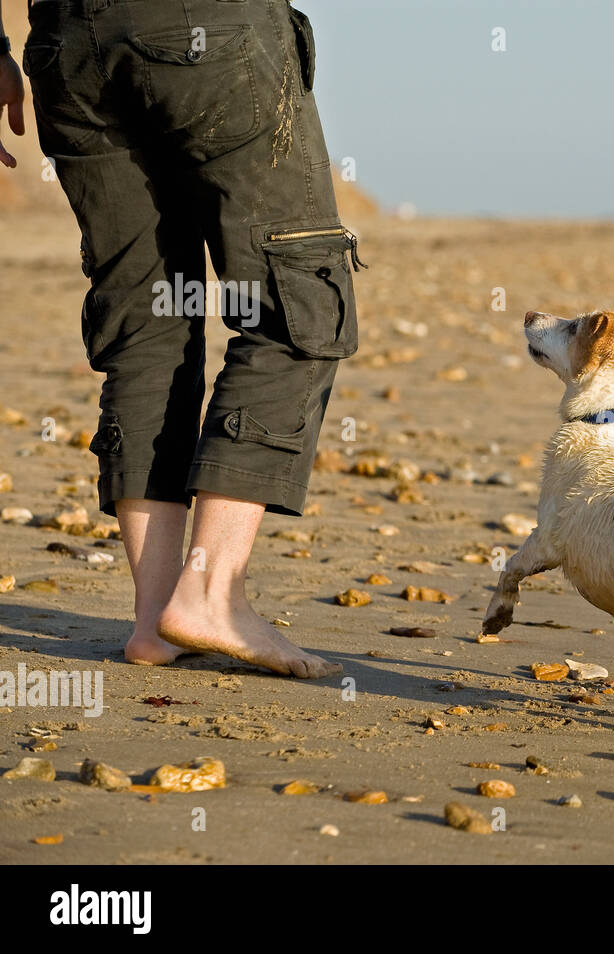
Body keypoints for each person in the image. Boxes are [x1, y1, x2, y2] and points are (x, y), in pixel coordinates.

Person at [0, 0, 358, 678]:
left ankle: (155, 617)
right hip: (208, 30)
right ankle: (210, 595)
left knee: (147, 323)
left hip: (67, 44)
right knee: (293, 305)